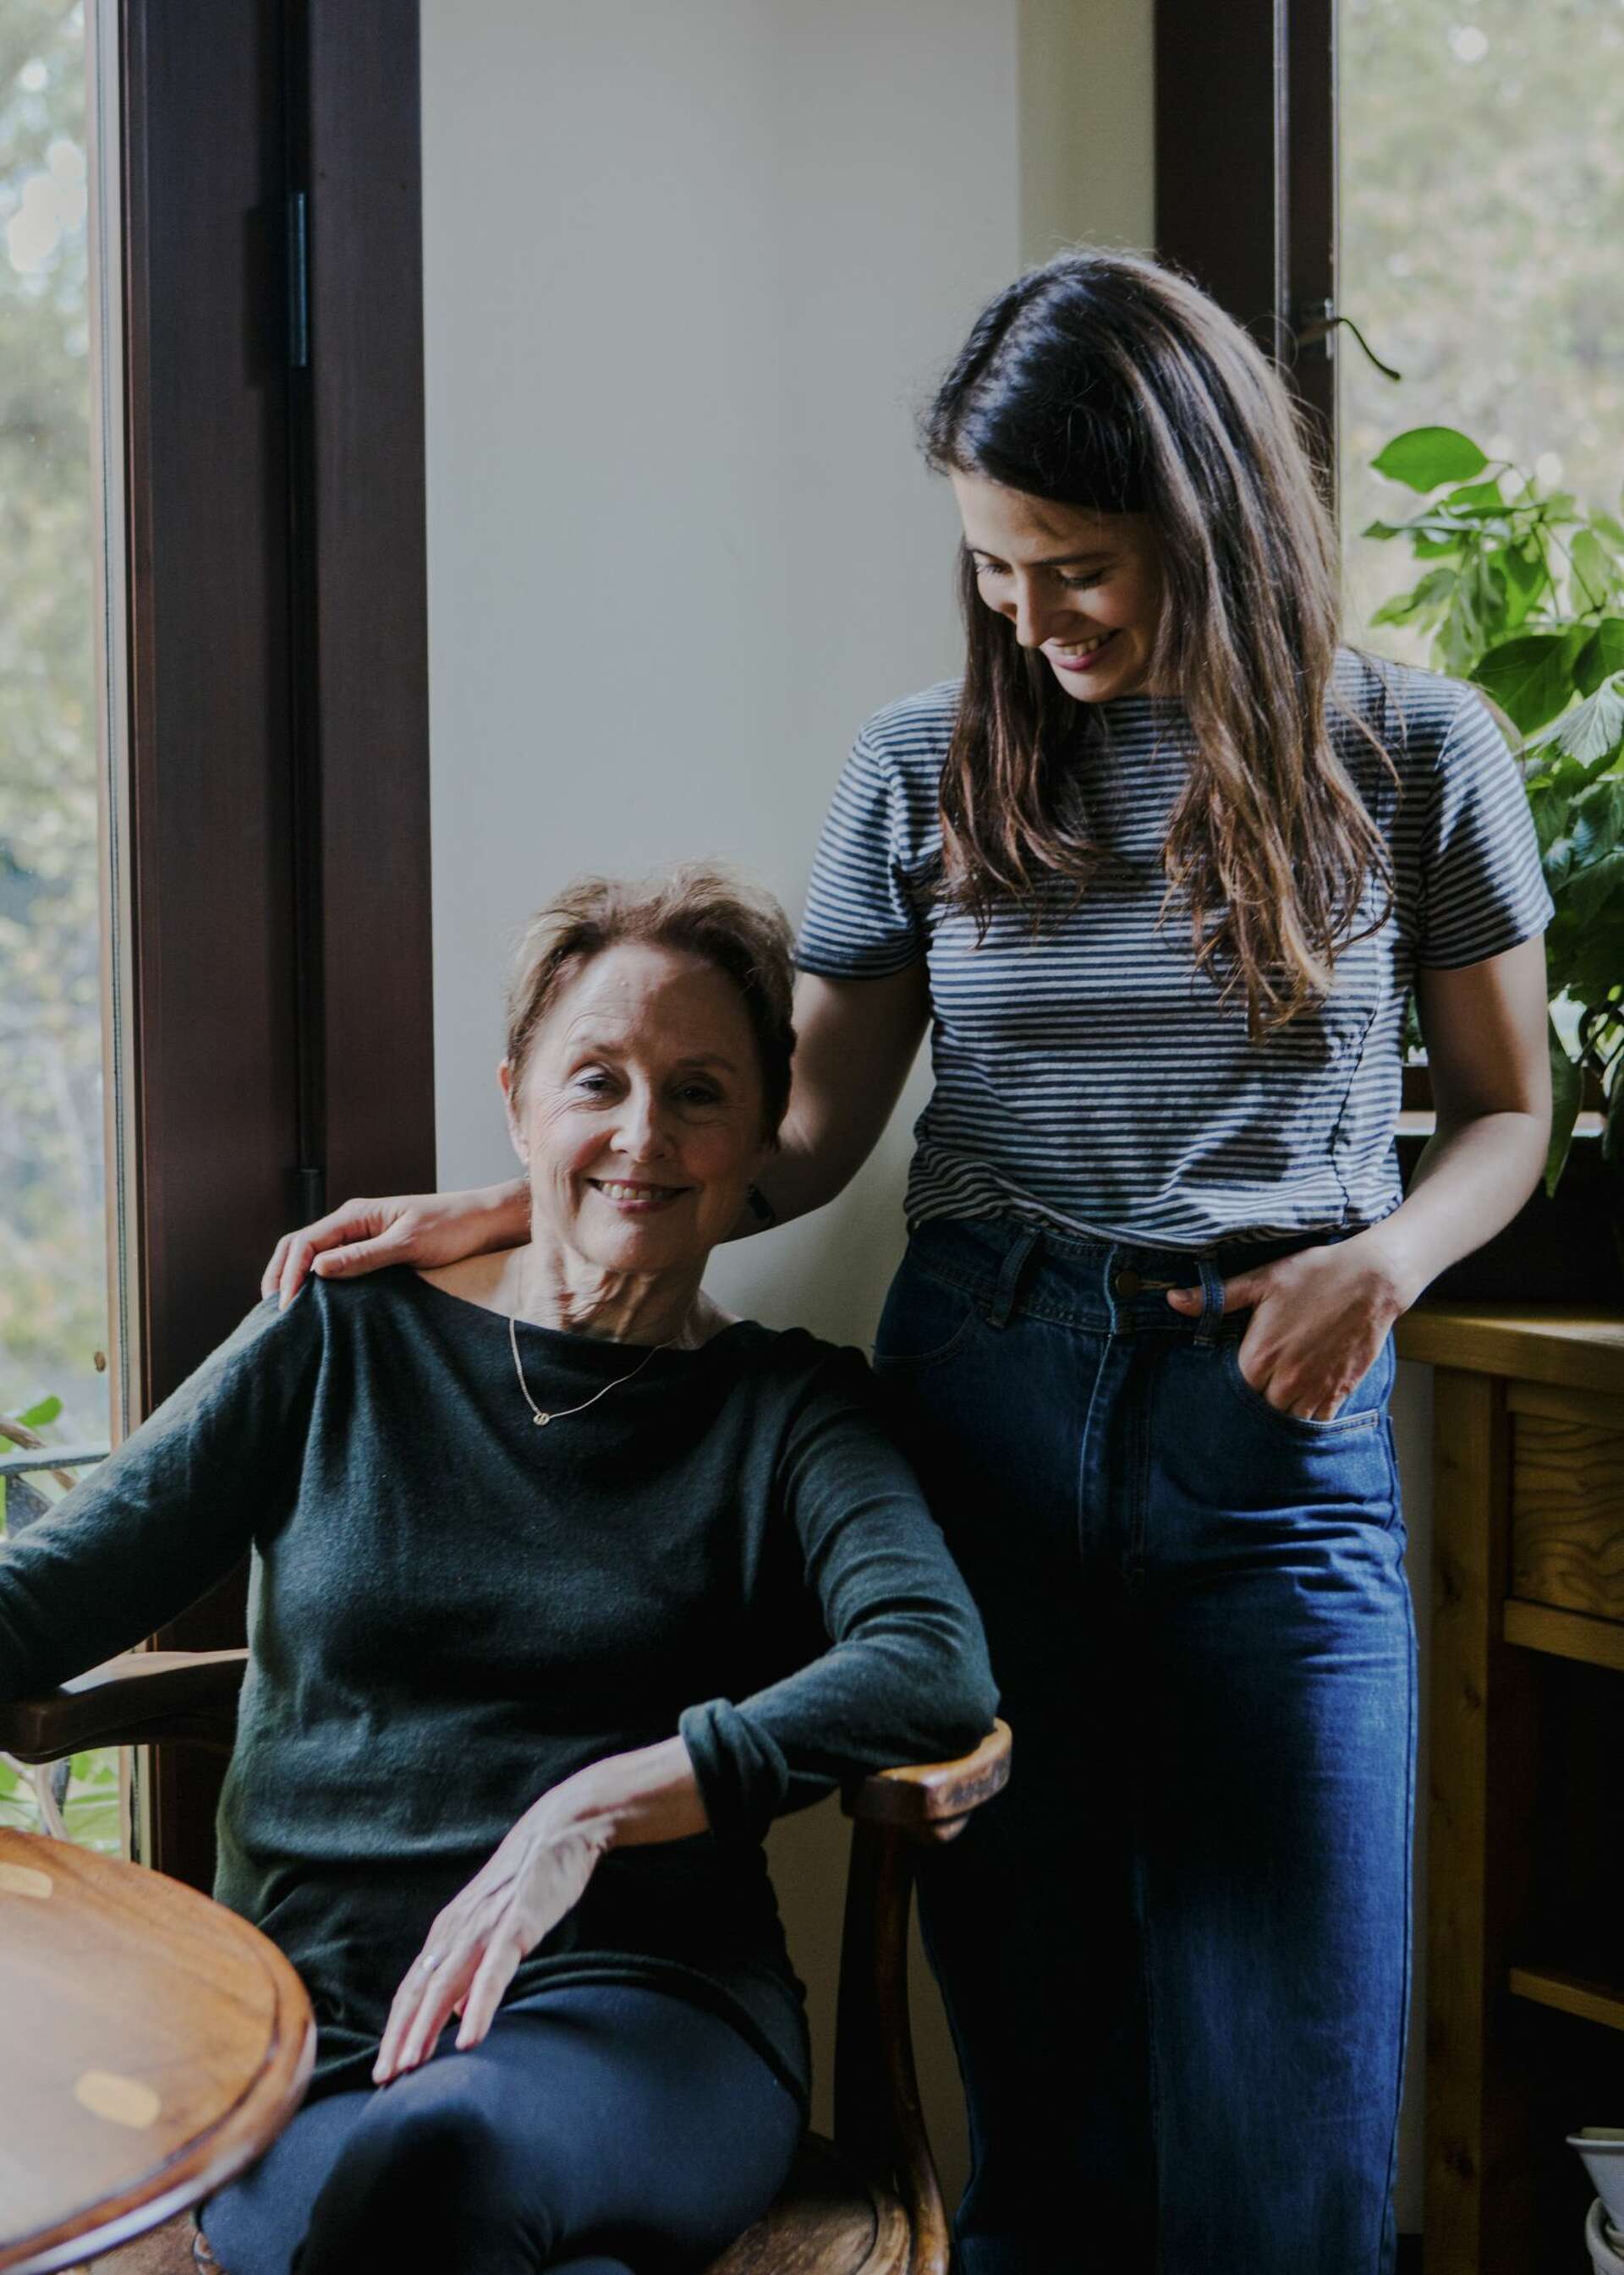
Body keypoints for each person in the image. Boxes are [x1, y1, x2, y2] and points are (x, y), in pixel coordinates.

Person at [260, 250, 1553, 2273]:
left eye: (1078, 569)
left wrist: (1382, 1257)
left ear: (1208, 522)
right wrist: (518, 1203)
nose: (1031, 621)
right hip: (986, 1404)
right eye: (993, 570)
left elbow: (1507, 1113)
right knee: (1039, 2074)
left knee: (1287, 2100)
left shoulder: (1417, 751)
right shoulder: (922, 765)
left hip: (1273, 1434)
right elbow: (796, 1151)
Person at [0, 867, 996, 2275]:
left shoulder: (789, 1413)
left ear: (766, 1129)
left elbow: (932, 1665)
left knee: (446, 2163)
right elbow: (45, 1599)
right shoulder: (340, 1343)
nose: (642, 1135)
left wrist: (593, 1806)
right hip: (314, 2025)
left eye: (701, 1093)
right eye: (599, 1080)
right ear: (519, 1097)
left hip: (646, 2010)